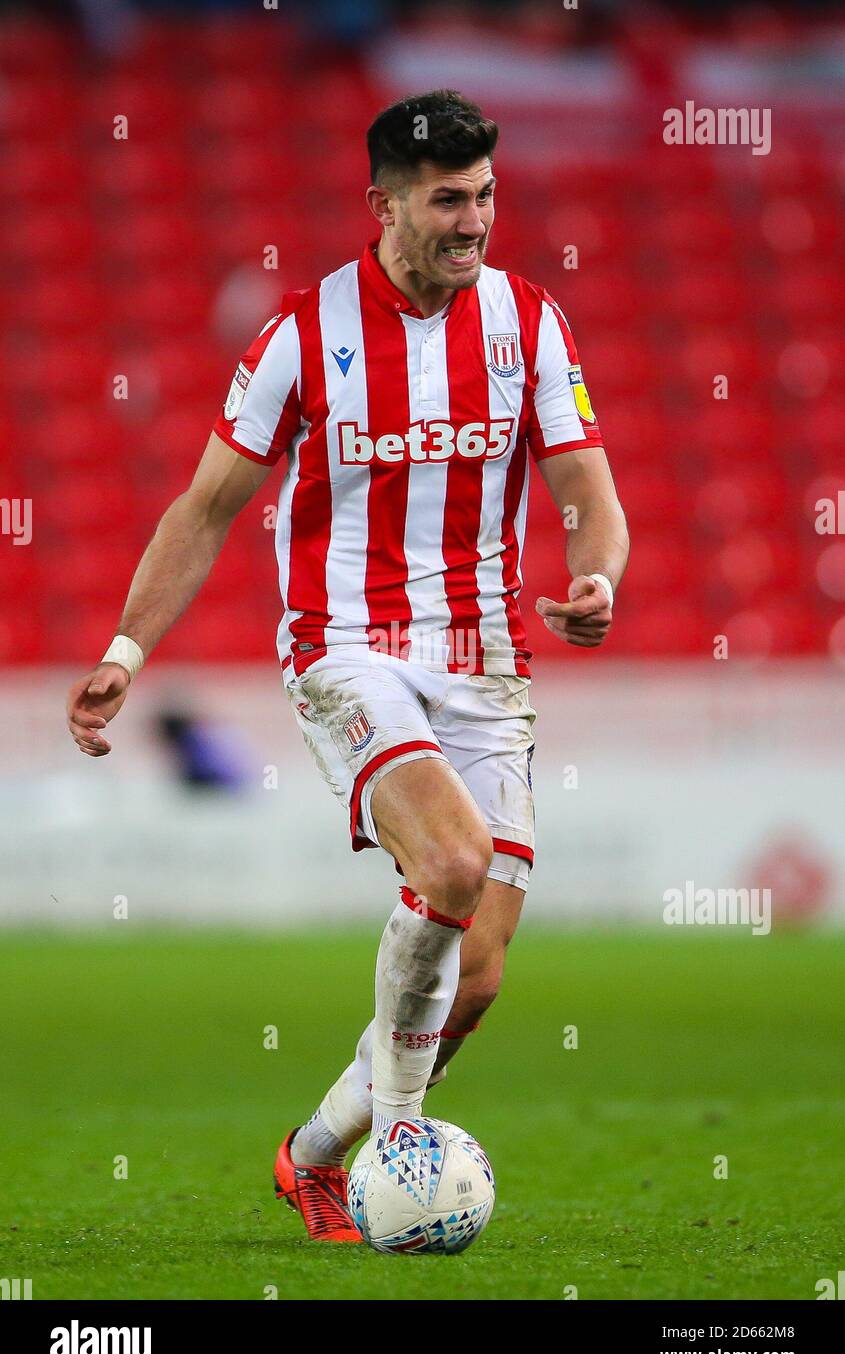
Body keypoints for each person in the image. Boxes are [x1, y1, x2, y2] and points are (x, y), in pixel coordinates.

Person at [66, 89, 629, 1243]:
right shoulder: (299, 337)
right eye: (445, 200)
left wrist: (598, 578)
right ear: (381, 204)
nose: (471, 222)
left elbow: (589, 498)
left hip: (482, 662)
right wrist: (128, 646)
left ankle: (312, 1153)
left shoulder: (530, 323)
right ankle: (403, 1142)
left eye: (482, 196)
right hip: (347, 650)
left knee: (471, 978)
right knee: (456, 860)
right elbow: (208, 503)